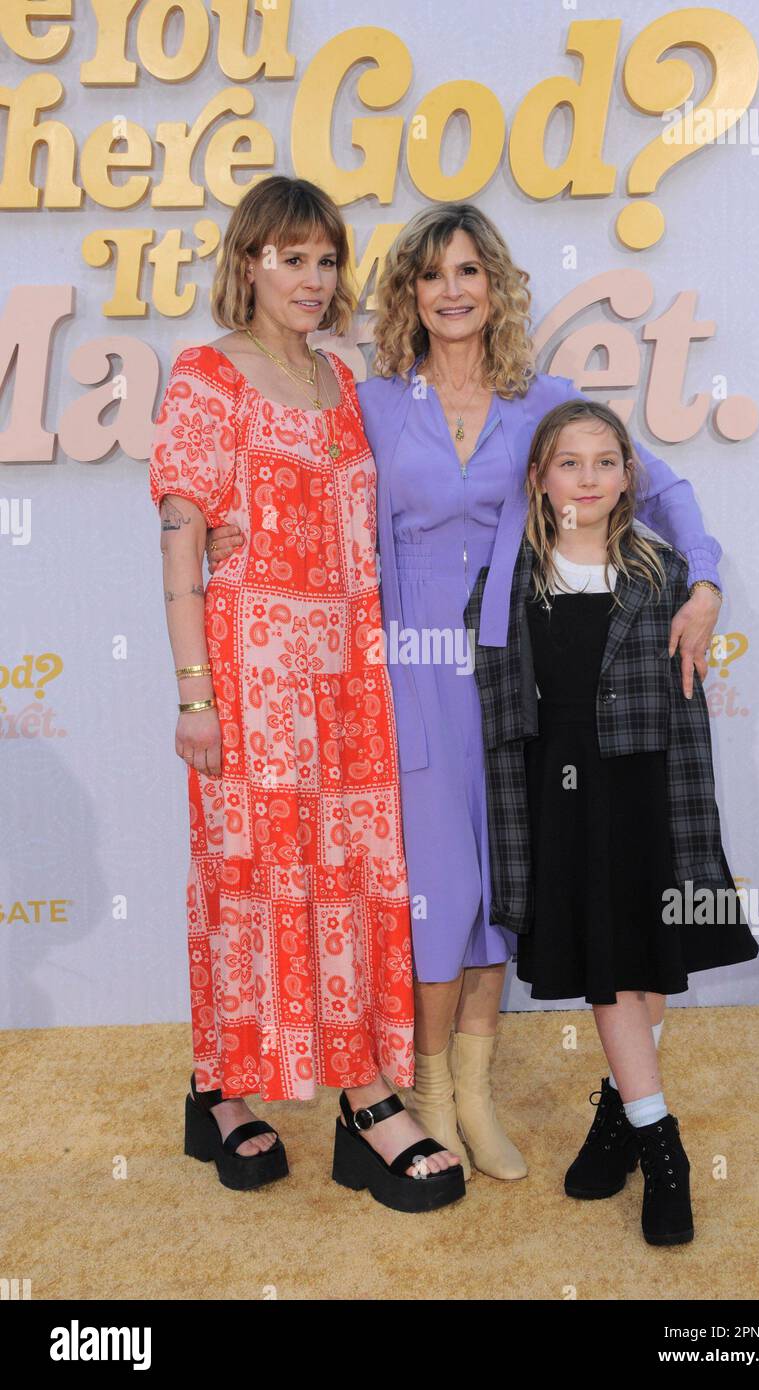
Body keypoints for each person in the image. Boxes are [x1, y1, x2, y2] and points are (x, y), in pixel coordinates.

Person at [206, 202, 725, 1186]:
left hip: (511, 678)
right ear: (409, 292)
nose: (452, 290)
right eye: (432, 274)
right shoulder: (370, 401)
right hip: (396, 679)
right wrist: (228, 532)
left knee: (495, 893)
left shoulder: (544, 403)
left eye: (469, 271)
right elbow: (286, 474)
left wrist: (701, 579)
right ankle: (427, 1095)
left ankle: (474, 1097)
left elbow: (659, 486)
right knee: (434, 895)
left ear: (496, 287)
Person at [148, 174, 463, 1210]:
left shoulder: (343, 377)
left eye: (327, 260)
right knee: (251, 878)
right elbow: (182, 545)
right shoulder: (207, 376)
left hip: (350, 680)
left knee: (352, 880)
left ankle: (360, 1088)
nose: (314, 279)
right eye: (291, 258)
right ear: (248, 264)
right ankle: (224, 1086)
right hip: (251, 675)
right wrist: (196, 693)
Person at [464, 397, 759, 1243]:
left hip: (649, 794)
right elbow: (496, 703)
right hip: (559, 801)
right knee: (611, 970)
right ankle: (663, 1146)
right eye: (568, 463)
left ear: (629, 477)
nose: (586, 478)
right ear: (537, 480)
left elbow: (685, 703)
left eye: (605, 461)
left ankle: (619, 1112)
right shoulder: (508, 584)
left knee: (642, 966)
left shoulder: (665, 574)